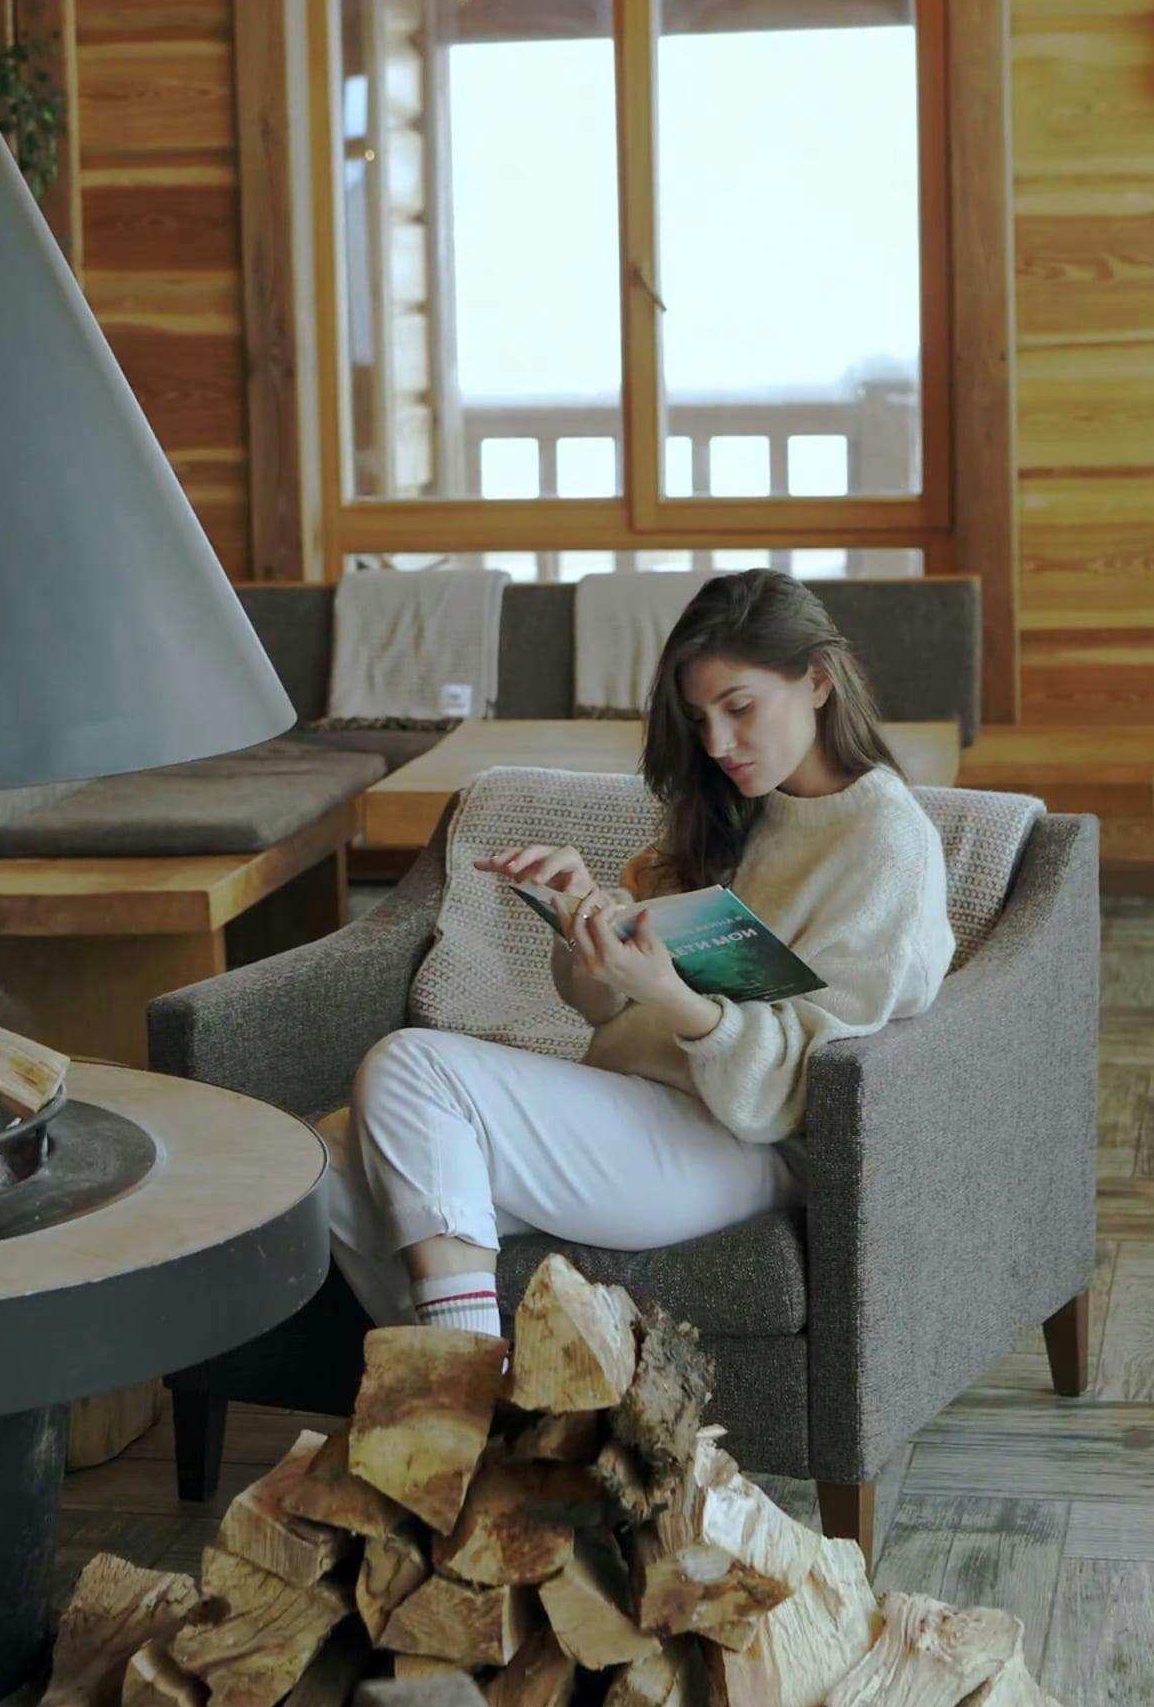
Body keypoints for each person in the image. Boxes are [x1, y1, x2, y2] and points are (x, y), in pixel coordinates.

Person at [324, 566, 955, 1334]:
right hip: (636, 1112)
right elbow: (604, 1008)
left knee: (411, 1067)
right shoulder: (730, 807)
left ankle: (461, 1401)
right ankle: (471, 1402)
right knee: (325, 1160)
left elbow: (804, 1091)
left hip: (742, 1145)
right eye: (700, 718)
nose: (719, 742)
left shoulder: (887, 843)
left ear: (818, 681)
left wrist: (676, 1001)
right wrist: (586, 921)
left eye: (740, 707)